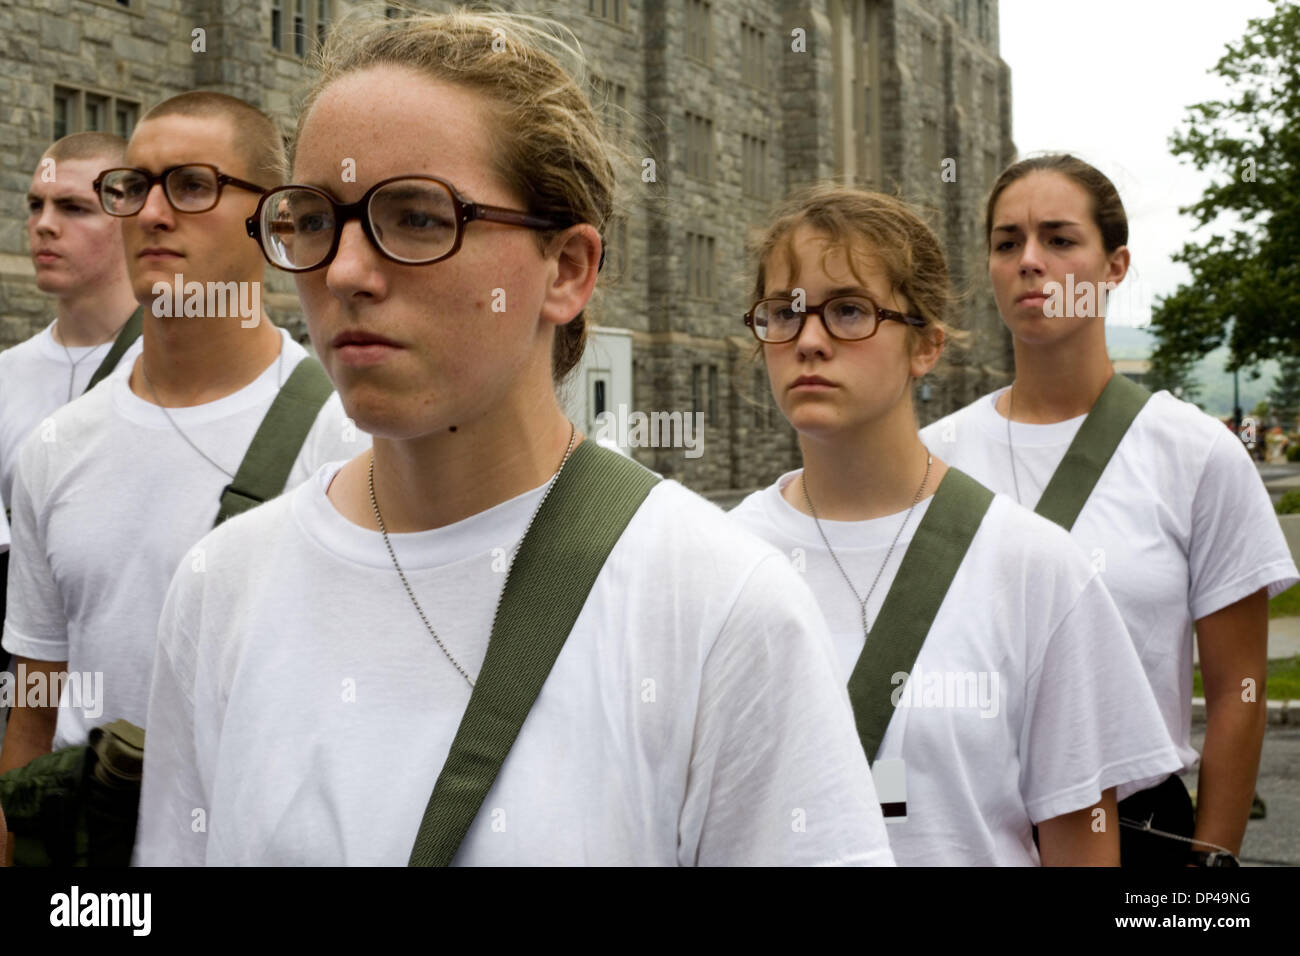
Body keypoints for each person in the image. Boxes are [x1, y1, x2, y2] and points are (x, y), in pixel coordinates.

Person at [134, 9, 895, 867]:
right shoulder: (220, 587)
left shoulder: (718, 607)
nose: (345, 271)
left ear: (566, 269)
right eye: (313, 220)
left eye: (417, 217)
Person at [730, 184, 1181, 865]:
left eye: (849, 311)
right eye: (783, 313)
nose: (811, 340)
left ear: (926, 346)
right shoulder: (719, 561)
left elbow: (1081, 842)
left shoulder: (1033, 566)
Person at [919, 154, 1299, 865]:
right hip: (965, 829)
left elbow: (1238, 693)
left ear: (1115, 265)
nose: (1030, 261)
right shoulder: (931, 456)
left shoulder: (1195, 454)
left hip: (1134, 833)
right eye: (1007, 243)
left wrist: (1208, 865)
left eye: (1060, 239)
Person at [0, 93, 365, 779]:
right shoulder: (55, 446)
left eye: (193, 186)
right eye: (134, 187)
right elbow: (35, 705)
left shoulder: (344, 437)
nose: (152, 212)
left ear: (273, 220)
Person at [1, 133, 145, 672]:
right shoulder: (6, 376)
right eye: (36, 204)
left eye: (73, 208)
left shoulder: (174, 373)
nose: (44, 224)